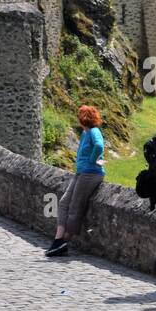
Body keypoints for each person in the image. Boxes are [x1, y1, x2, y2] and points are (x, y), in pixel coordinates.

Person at [46, 105, 106, 257]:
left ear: (83, 120)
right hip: (81, 172)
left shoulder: (93, 131)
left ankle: (63, 241)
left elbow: (99, 146)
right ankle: (58, 239)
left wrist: (92, 161)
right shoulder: (86, 133)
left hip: (90, 174)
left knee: (75, 207)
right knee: (64, 202)